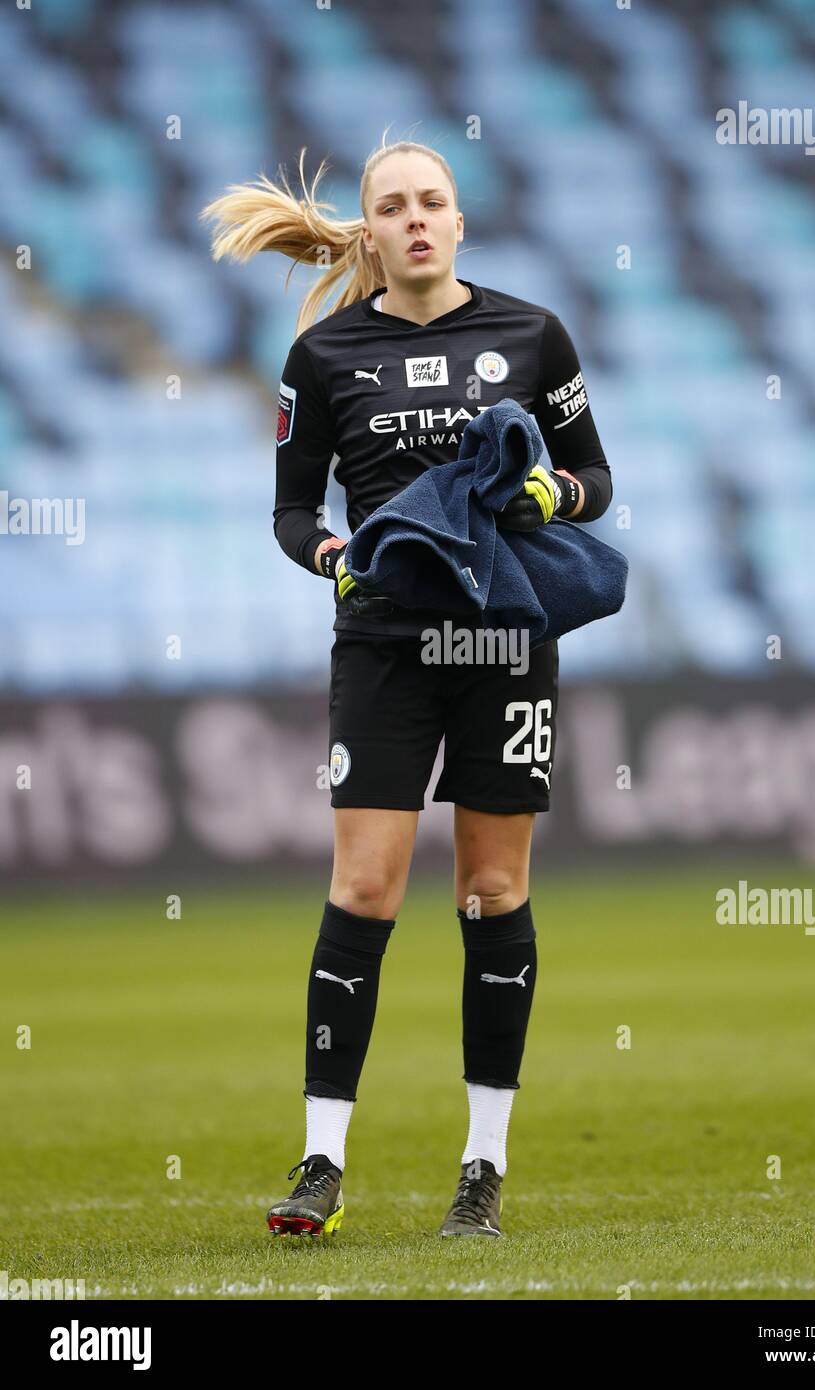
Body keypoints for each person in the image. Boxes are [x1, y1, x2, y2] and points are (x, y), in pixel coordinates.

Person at [200, 134, 613, 1238]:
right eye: (395, 205)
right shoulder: (324, 355)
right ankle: (320, 1161)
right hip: (383, 644)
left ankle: (481, 1169)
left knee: (489, 890)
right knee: (365, 888)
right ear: (370, 231)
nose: (417, 218)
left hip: (502, 643)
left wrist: (543, 492)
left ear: (459, 220)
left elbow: (595, 482)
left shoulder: (531, 333)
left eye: (434, 201)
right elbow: (292, 513)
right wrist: (335, 557)